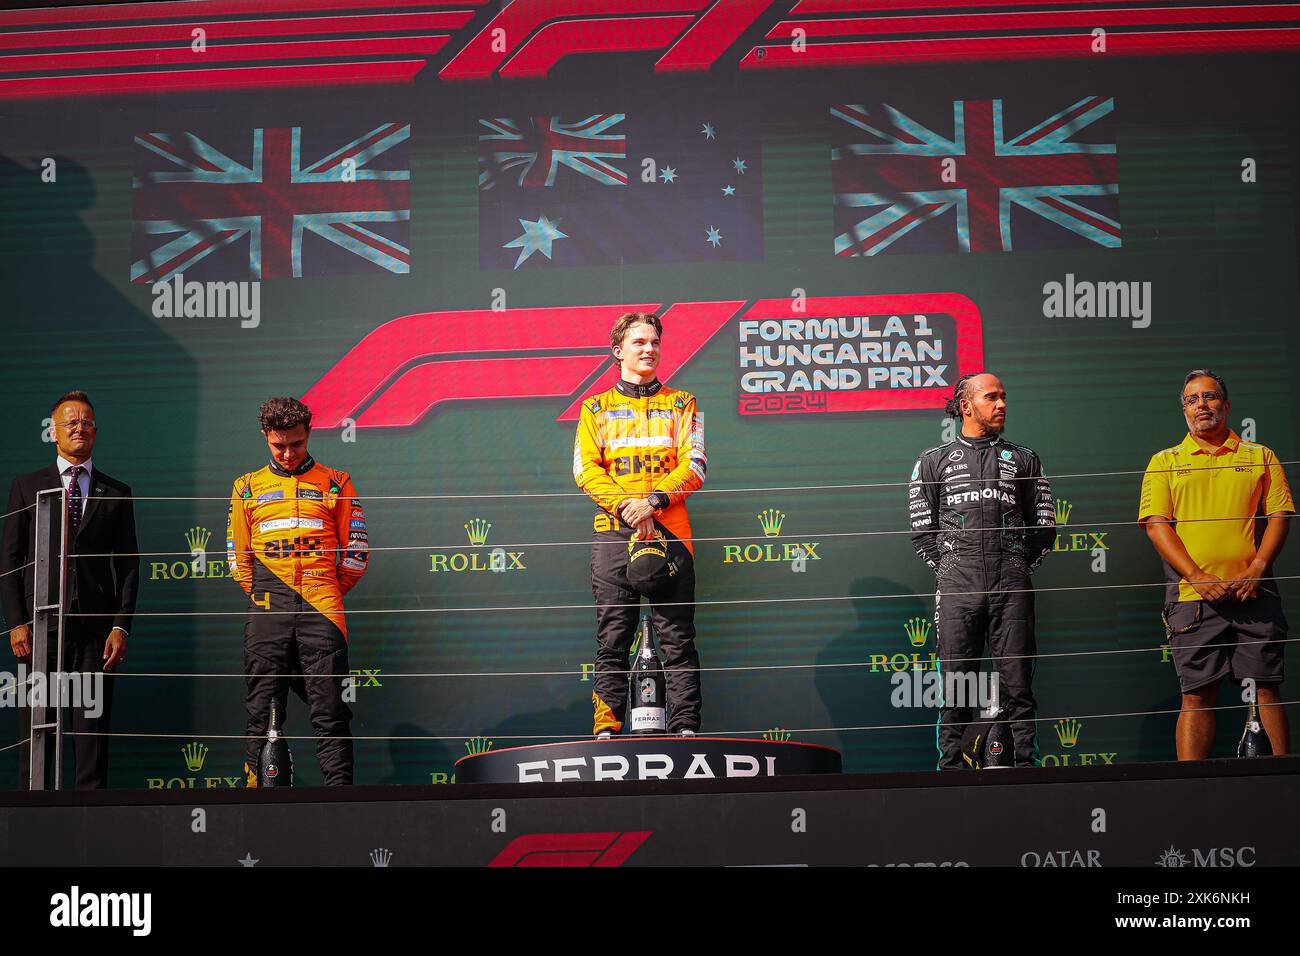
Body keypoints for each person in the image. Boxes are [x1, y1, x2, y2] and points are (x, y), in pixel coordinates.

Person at [1139, 370, 1292, 759]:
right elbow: (1156, 526)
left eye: (1210, 397)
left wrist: (1257, 567)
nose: (1202, 405)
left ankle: (1278, 786)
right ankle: (1191, 790)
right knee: (1196, 694)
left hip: (1253, 591)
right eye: (1192, 399)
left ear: (1226, 405)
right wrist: (1197, 577)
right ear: (1184, 410)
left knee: (1266, 689)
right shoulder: (1164, 461)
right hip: (1193, 597)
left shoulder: (1260, 455)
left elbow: (1280, 515)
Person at [909, 373, 1055, 769]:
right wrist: (952, 571)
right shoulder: (932, 460)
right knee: (956, 685)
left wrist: (1017, 566)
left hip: (1011, 583)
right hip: (958, 584)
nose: (1002, 404)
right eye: (992, 397)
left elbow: (1045, 527)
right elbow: (922, 532)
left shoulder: (1024, 458)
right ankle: (952, 770)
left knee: (1018, 685)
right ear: (966, 405)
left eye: (1004, 396)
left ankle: (1025, 767)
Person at [574, 312, 707, 737]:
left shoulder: (682, 402)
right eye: (638, 342)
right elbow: (585, 470)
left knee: (678, 639)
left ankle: (685, 729)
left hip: (671, 529)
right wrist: (629, 508)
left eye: (654, 342)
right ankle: (606, 730)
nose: (649, 349)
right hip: (615, 529)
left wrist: (651, 502)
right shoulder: (594, 406)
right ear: (618, 352)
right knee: (612, 637)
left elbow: (696, 465)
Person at [227, 397, 368, 786]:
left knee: (330, 711)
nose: (288, 454)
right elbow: (238, 560)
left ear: (309, 434)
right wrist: (269, 595)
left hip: (322, 608)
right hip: (267, 609)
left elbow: (356, 555)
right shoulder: (247, 487)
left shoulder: (336, 481)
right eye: (279, 446)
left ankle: (340, 803)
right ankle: (258, 803)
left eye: (297, 444)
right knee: (261, 711)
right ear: (265, 438)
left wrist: (323, 591)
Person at [1, 391, 139, 789]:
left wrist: (120, 626)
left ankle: (90, 824)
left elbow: (129, 564)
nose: (80, 428)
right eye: (71, 423)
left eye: (87, 422)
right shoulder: (28, 486)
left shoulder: (116, 490)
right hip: (39, 632)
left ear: (95, 430)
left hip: (95, 634)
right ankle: (35, 821)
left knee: (91, 735)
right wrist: (16, 622)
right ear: (54, 431)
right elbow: (9, 560)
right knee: (37, 733)